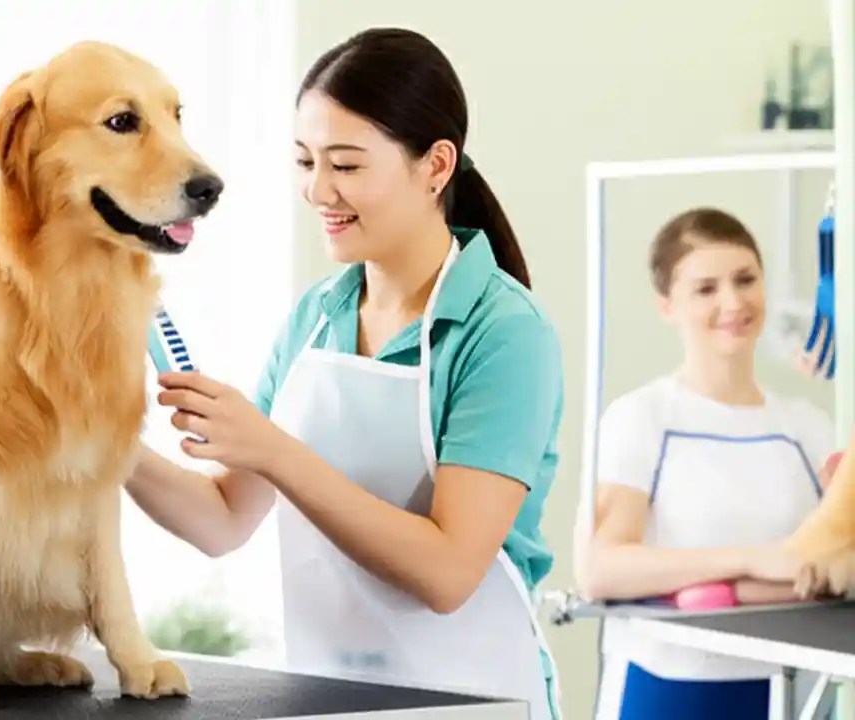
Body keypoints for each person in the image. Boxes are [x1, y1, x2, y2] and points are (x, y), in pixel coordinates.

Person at [124, 27, 564, 720]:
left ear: (436, 166)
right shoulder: (317, 317)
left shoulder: (502, 330)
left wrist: (272, 450)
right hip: (331, 702)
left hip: (481, 704)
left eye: (347, 165)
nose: (318, 190)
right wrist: (103, 445)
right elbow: (223, 521)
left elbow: (449, 572)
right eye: (304, 161)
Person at [578, 207, 842, 720]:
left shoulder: (807, 428)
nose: (733, 302)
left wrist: (732, 588)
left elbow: (833, 568)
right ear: (666, 305)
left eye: (746, 280)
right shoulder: (643, 419)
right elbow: (601, 569)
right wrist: (757, 561)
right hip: (669, 690)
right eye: (706, 288)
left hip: (790, 691)